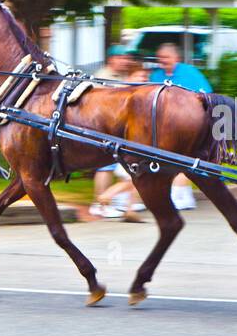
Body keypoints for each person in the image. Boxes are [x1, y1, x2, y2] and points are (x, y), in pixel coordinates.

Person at [150, 42, 212, 211]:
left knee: (182, 155)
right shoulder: (155, 76)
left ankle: (179, 194)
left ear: (176, 57)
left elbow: (205, 93)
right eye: (160, 58)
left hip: (189, 122)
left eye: (166, 57)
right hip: (164, 126)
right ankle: (181, 194)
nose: (163, 61)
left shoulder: (190, 73)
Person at [90, 46, 148, 220]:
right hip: (105, 127)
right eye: (121, 57)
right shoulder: (104, 76)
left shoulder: (122, 76)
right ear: (111, 59)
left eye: (125, 58)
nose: (125, 60)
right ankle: (100, 203)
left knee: (127, 168)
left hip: (120, 130)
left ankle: (124, 205)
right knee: (105, 166)